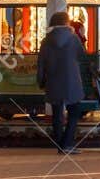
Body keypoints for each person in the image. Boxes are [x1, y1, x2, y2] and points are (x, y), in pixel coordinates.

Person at [37, 11, 87, 154]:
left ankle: (61, 145)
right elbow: (82, 56)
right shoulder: (73, 38)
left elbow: (41, 63)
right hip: (72, 82)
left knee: (57, 115)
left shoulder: (46, 41)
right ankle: (66, 144)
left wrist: (41, 81)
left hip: (53, 81)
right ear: (66, 23)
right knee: (74, 112)